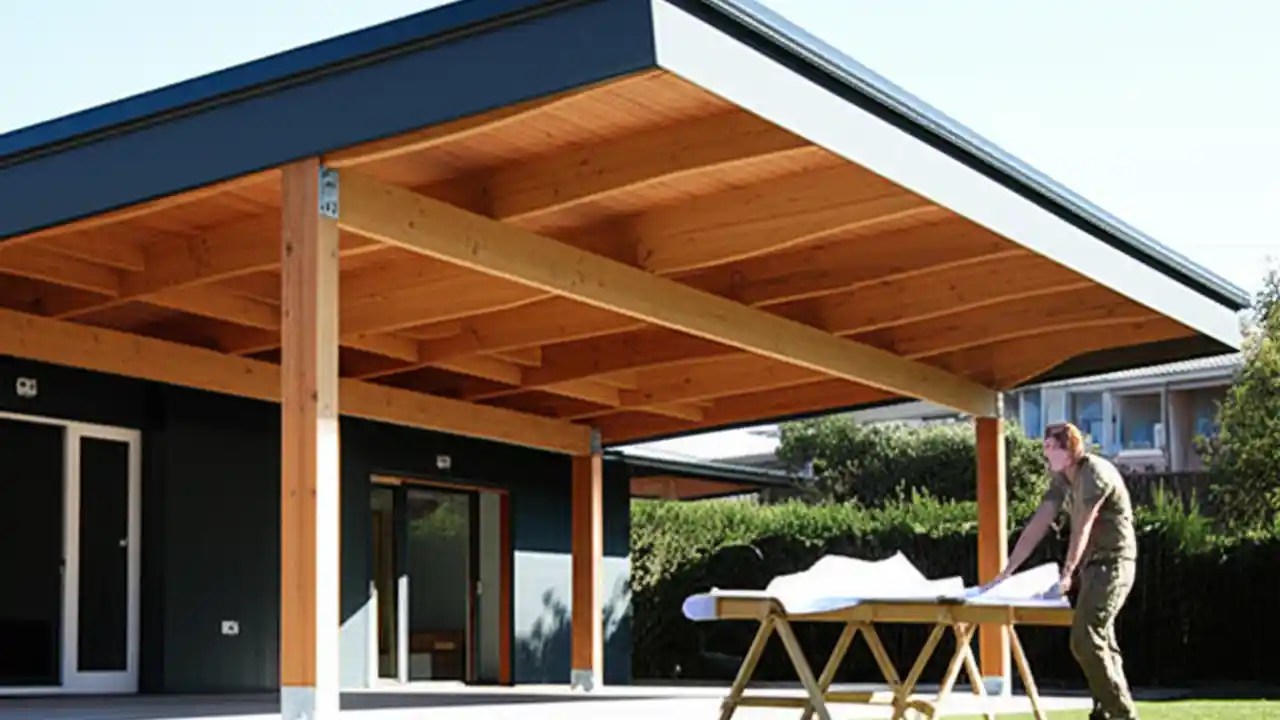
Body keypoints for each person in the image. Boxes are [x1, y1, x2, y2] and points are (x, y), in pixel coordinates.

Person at [987, 422, 1140, 720]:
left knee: (1085, 636)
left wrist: (1068, 572)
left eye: (1050, 446)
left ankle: (1122, 713)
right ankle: (1105, 711)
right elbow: (1038, 523)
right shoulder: (1062, 479)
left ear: (1069, 449)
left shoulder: (1093, 473)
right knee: (1101, 640)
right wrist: (1007, 570)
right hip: (1094, 566)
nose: (1044, 451)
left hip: (1114, 563)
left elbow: (1083, 524)